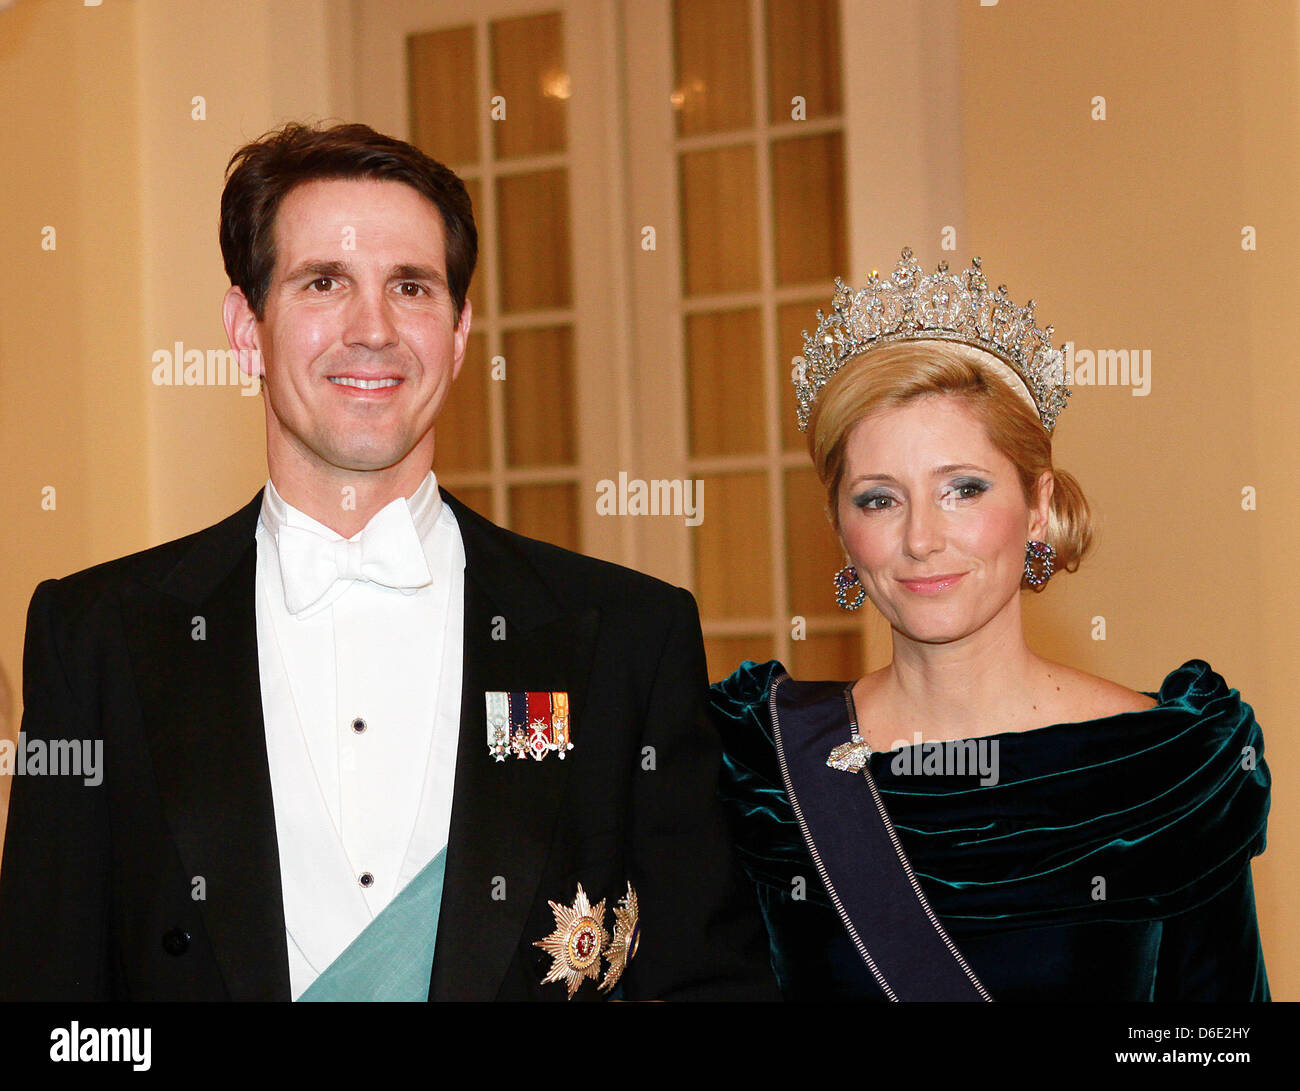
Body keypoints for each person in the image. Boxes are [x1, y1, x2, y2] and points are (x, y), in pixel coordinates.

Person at [0, 122, 775, 1002]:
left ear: (457, 331)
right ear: (245, 327)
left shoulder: (628, 639)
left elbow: (707, 986)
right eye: (324, 282)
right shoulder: (94, 636)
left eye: (410, 287)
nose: (372, 329)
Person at [709, 248, 1270, 1001]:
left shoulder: (1162, 767)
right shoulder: (767, 765)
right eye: (879, 498)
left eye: (962, 489)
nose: (920, 538)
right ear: (839, 526)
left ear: (1039, 504)